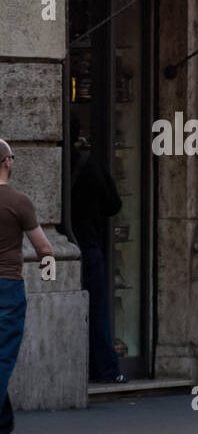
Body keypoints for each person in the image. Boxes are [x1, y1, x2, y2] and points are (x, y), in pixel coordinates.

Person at [0, 140, 55, 434]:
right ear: (7, 162)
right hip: (8, 285)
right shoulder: (19, 201)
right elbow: (44, 248)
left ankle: (3, 424)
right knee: (3, 356)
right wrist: (48, 274)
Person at [69, 118, 126, 383]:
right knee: (98, 309)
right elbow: (113, 204)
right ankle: (105, 369)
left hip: (64, 243)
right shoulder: (90, 164)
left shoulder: (60, 163)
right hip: (90, 242)